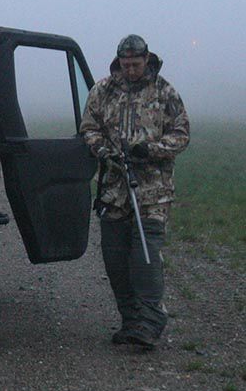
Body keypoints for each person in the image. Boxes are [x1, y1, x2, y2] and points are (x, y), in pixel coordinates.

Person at [79, 34, 189, 349]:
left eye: (136, 64)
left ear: (147, 61)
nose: (131, 70)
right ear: (119, 62)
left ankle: (151, 322)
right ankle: (130, 321)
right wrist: (103, 151)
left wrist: (150, 150)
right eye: (126, 64)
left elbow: (182, 133)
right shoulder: (102, 91)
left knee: (145, 257)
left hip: (152, 192)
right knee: (115, 260)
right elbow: (88, 128)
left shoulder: (165, 91)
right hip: (114, 191)